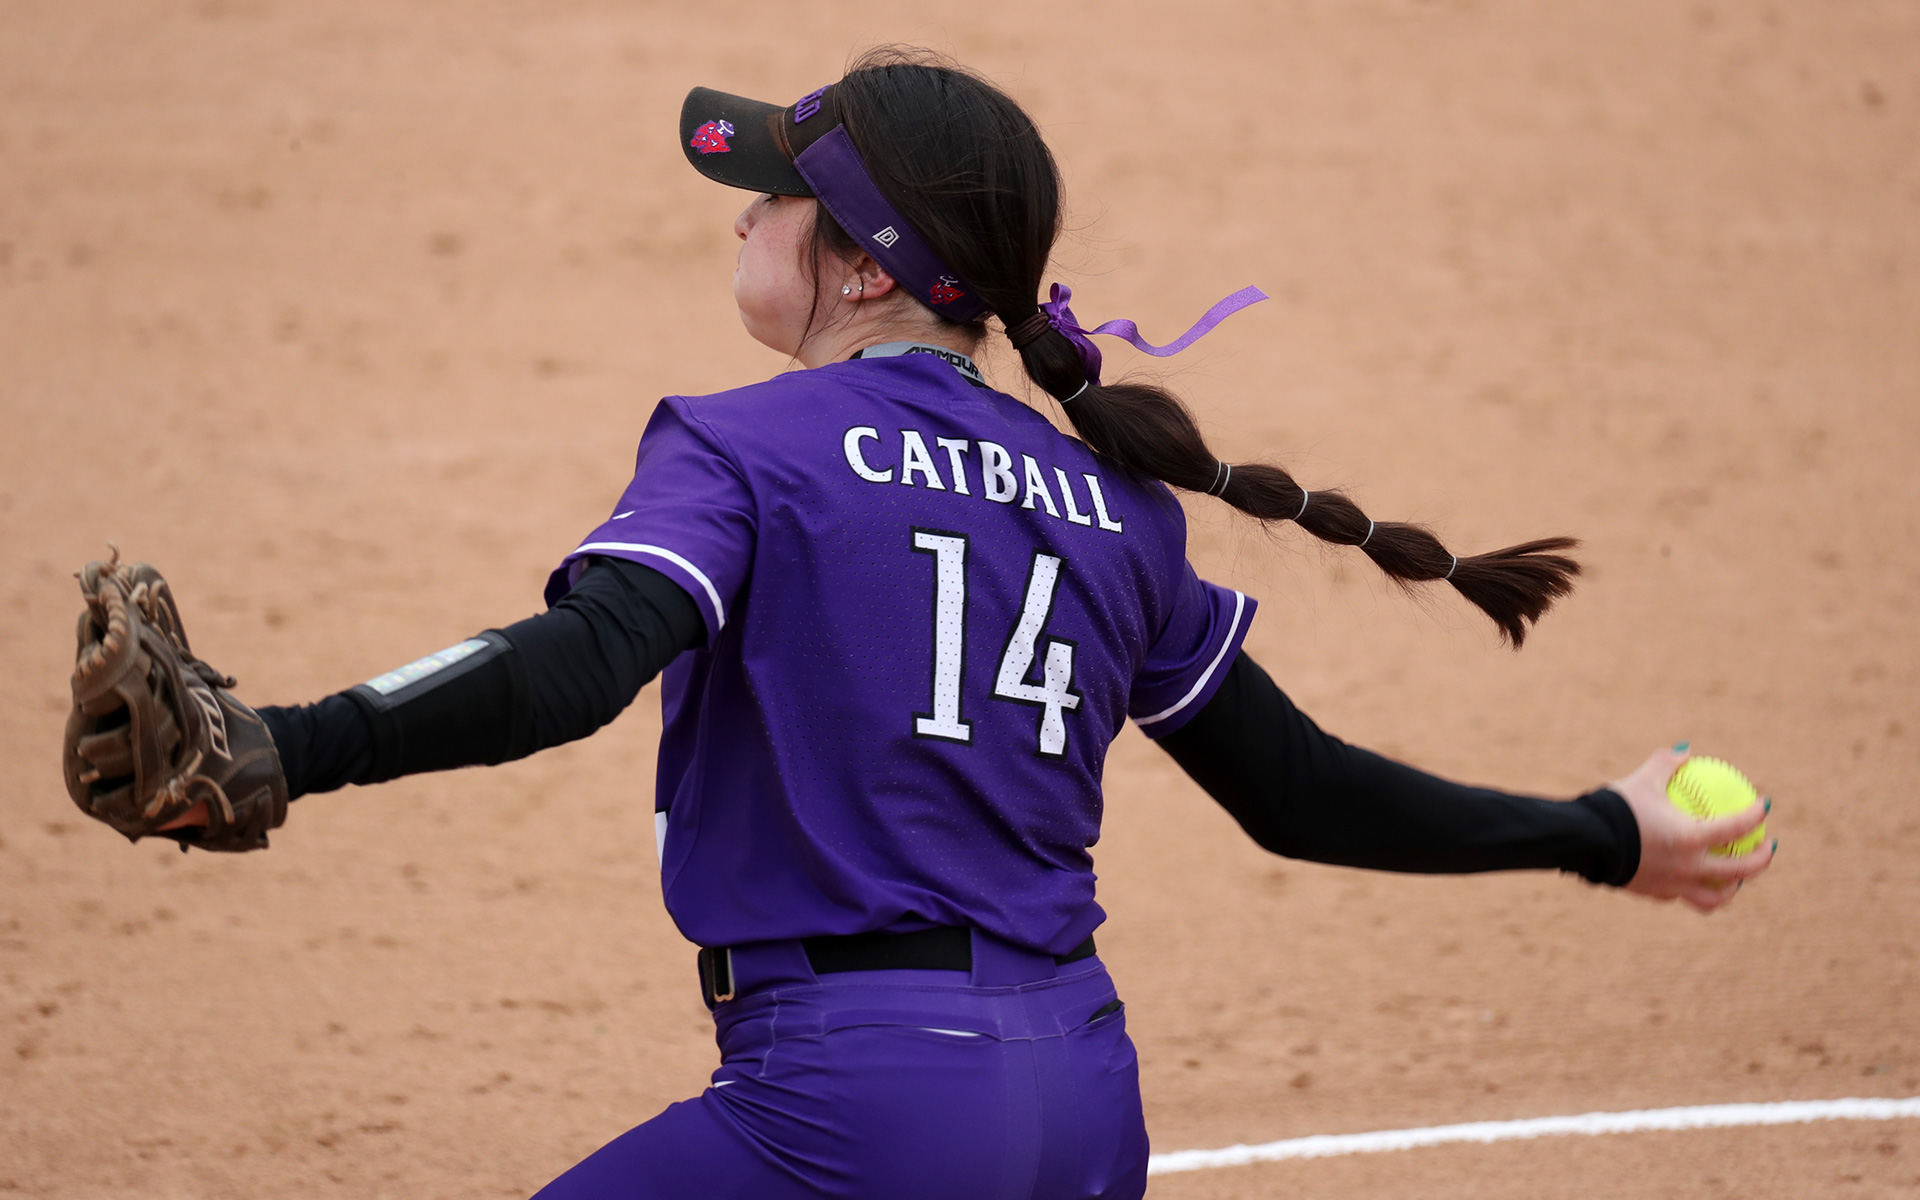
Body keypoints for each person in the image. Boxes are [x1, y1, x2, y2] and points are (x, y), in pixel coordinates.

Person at [153, 47, 1774, 1200]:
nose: (740, 219)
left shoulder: (745, 447)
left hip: (845, 1115)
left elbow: (573, 665)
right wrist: (1599, 831)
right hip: (1082, 1111)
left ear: (861, 267)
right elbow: (1306, 791)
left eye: (772, 198)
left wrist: (290, 749)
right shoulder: (1116, 510)